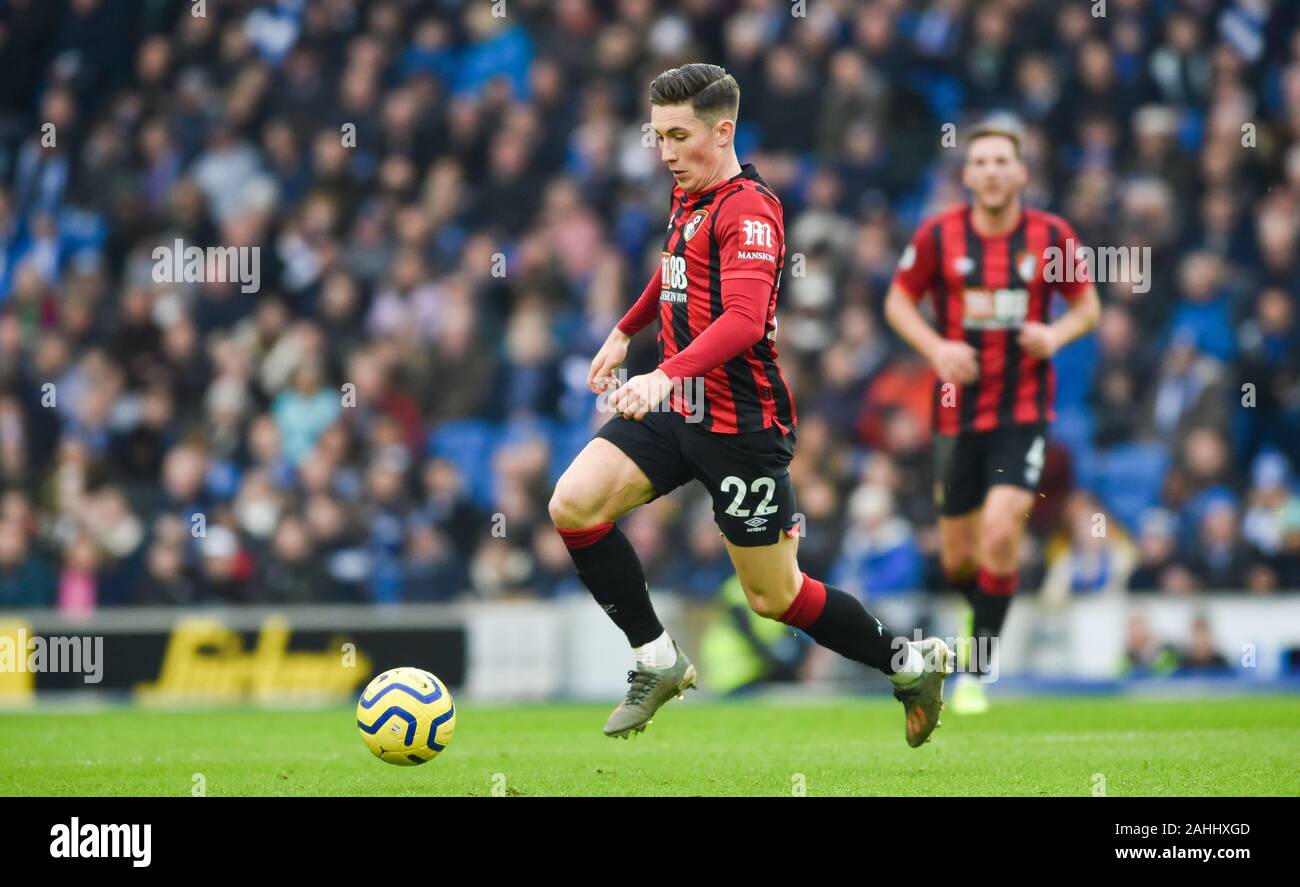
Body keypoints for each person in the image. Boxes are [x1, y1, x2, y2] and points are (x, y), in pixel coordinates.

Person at [548, 63, 954, 748]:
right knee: (572, 504)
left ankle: (908, 664)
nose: (666, 152)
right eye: (658, 137)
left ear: (723, 131)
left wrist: (664, 373)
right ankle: (656, 659)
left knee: (776, 597)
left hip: (741, 429)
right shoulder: (690, 194)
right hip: (680, 411)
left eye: (679, 136)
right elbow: (673, 266)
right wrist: (625, 330)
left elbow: (741, 320)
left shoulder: (750, 210)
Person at [883, 120, 1101, 713]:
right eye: (980, 162)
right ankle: (975, 615)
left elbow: (1088, 305)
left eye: (1003, 160)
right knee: (958, 555)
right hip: (955, 412)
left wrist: (1054, 333)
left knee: (1003, 528)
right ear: (968, 174)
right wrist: (937, 348)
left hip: (1022, 409)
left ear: (1021, 172)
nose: (992, 171)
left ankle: (978, 666)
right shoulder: (939, 237)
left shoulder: (1050, 235)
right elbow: (898, 301)